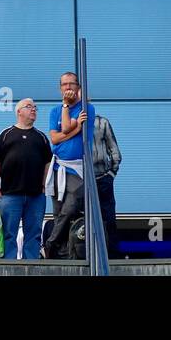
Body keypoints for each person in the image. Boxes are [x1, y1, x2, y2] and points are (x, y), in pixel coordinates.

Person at [0, 97, 52, 260]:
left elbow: (48, 162)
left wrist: (45, 184)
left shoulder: (41, 137)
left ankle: (30, 265)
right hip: (10, 194)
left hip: (36, 195)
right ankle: (9, 266)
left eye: (35, 107)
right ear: (18, 111)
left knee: (34, 234)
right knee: (9, 233)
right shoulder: (6, 135)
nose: (33, 110)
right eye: (29, 107)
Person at [44, 72, 98, 259]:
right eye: (64, 85)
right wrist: (76, 128)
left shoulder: (86, 108)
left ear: (78, 87)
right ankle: (62, 252)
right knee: (58, 212)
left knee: (71, 207)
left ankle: (50, 243)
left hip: (77, 168)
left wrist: (67, 109)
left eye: (71, 84)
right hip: (59, 168)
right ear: (60, 88)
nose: (68, 88)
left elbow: (63, 129)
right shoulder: (54, 111)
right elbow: (54, 138)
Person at [92, 112, 123, 260]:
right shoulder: (72, 122)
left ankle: (112, 256)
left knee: (108, 218)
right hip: (81, 181)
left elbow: (115, 151)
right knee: (81, 218)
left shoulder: (102, 123)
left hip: (103, 178)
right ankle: (84, 253)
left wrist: (111, 174)